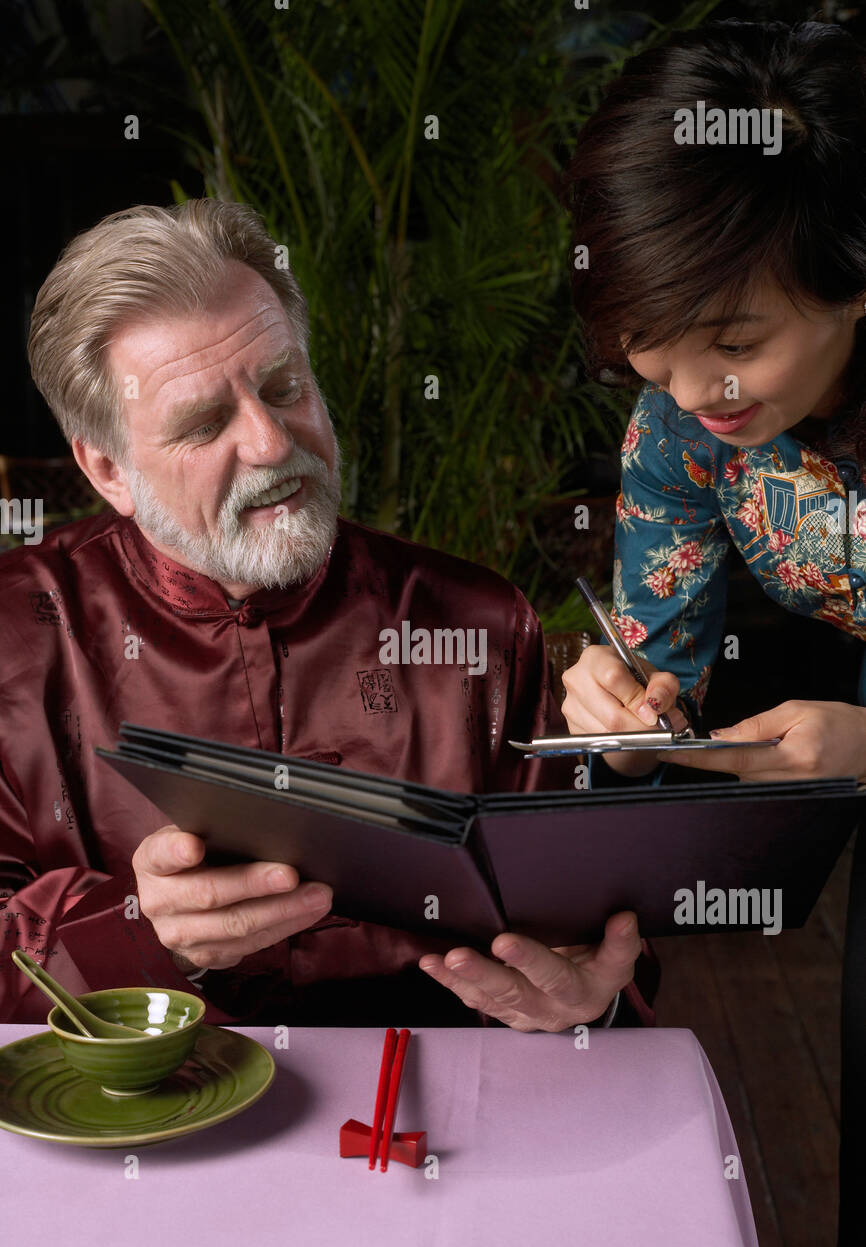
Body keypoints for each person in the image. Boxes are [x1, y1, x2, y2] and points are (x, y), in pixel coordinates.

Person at [0, 197, 650, 1030]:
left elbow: (596, 940)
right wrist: (138, 930)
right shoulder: (17, 638)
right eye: (205, 424)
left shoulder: (477, 623)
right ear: (108, 471)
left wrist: (584, 995)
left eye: (285, 387)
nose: (273, 443)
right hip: (131, 1127)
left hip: (445, 1123)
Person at [557, 19, 866, 781]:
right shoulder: (675, 435)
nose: (693, 395)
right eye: (648, 338)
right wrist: (624, 730)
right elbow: (663, 700)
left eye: (735, 347)